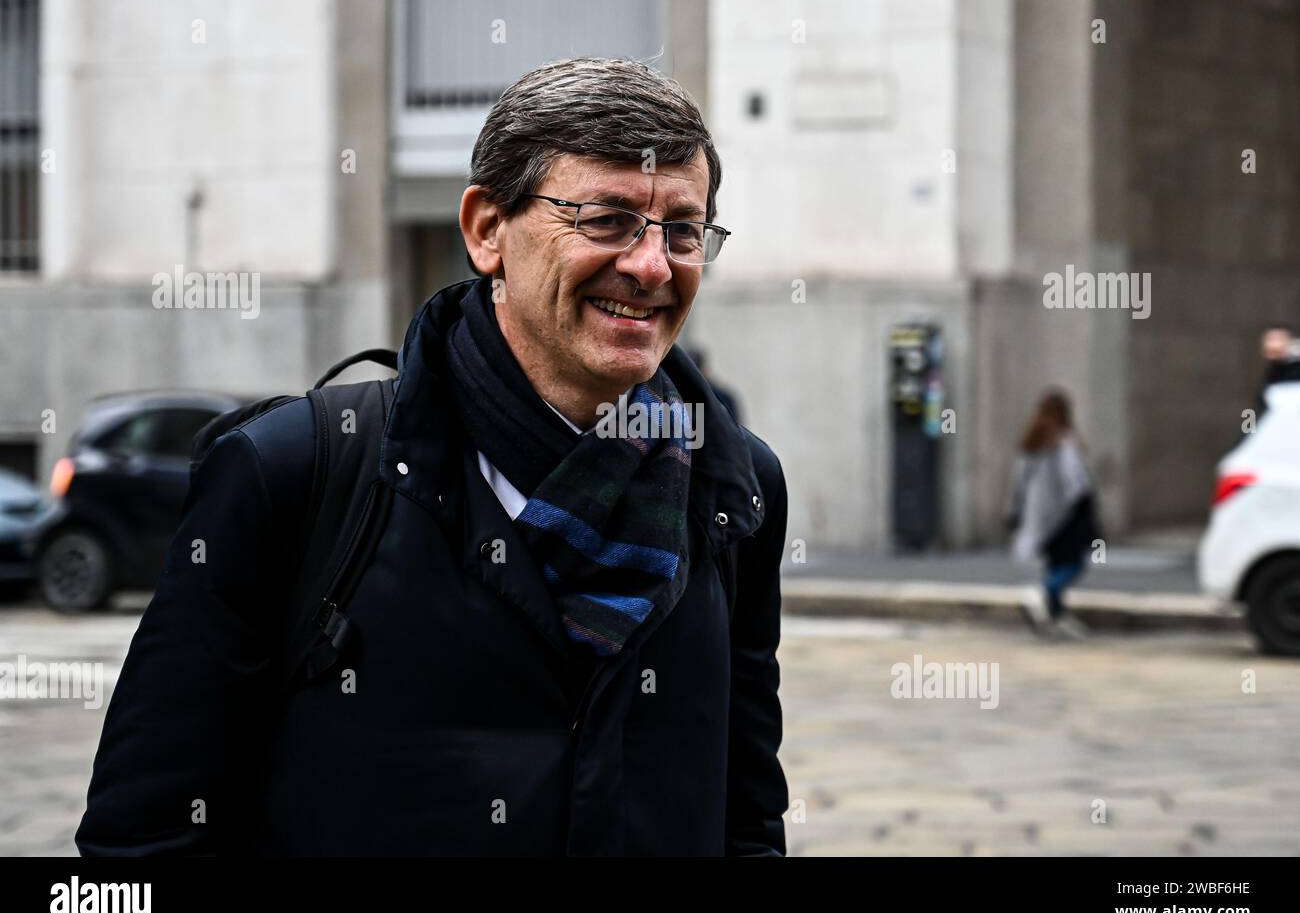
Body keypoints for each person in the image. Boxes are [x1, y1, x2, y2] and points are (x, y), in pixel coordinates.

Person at [76, 58, 789, 856]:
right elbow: (141, 841)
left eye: (683, 231)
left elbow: (747, 820)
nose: (653, 265)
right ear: (487, 230)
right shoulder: (292, 471)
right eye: (607, 219)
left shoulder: (737, 490)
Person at [1005, 390, 1101, 640]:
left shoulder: (1030, 443)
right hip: (1065, 515)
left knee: (1055, 563)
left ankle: (1056, 615)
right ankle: (1044, 594)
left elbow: (1018, 480)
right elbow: (1076, 482)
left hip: (1038, 516)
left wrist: (1014, 511)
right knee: (1073, 564)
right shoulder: (1064, 442)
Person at [1255, 322, 1300, 415]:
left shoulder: (1294, 370)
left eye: (1277, 339)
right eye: (1268, 340)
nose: (1272, 345)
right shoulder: (1276, 368)